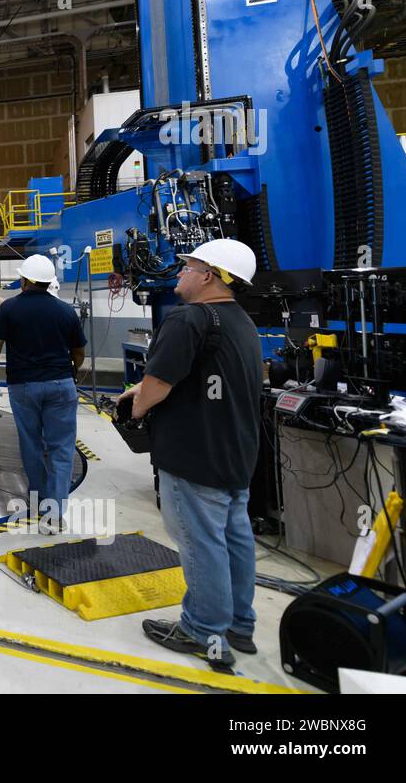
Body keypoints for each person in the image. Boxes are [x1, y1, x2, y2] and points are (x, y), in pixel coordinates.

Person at [117, 239, 264, 672]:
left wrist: (136, 408)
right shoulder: (241, 322)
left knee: (201, 543)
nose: (179, 273)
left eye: (189, 266)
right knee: (234, 538)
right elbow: (201, 375)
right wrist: (142, 389)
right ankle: (239, 623)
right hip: (234, 453)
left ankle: (202, 629)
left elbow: (158, 384)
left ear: (209, 275)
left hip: (193, 454)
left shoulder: (188, 320)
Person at [0, 254, 86, 531]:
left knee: (31, 444)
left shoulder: (11, 309)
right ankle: (55, 513)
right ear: (49, 281)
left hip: (24, 386)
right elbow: (78, 352)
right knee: (61, 449)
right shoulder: (65, 311)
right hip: (61, 385)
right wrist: (73, 369)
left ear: (25, 280)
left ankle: (39, 500)